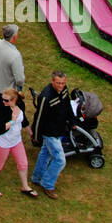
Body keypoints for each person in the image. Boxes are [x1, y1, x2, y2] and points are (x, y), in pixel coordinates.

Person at [0, 87, 37, 197]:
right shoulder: (1, 109)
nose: (3, 102)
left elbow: (24, 120)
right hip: (2, 142)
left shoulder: (20, 105)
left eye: (6, 100)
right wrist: (12, 122)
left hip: (16, 140)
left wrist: (31, 133)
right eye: (3, 99)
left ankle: (25, 186)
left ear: (14, 100)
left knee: (23, 163)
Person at [31, 69, 73, 198]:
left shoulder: (64, 90)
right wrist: (36, 136)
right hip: (50, 133)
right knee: (60, 160)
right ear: (52, 81)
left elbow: (67, 106)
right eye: (58, 83)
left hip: (60, 129)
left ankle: (37, 178)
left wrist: (72, 121)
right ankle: (48, 184)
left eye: (63, 83)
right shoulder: (46, 97)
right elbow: (39, 117)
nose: (61, 86)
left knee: (45, 154)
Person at [0, 24, 25, 135]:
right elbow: (20, 78)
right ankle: (2, 129)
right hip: (6, 88)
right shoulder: (15, 55)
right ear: (14, 36)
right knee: (6, 109)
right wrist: (20, 88)